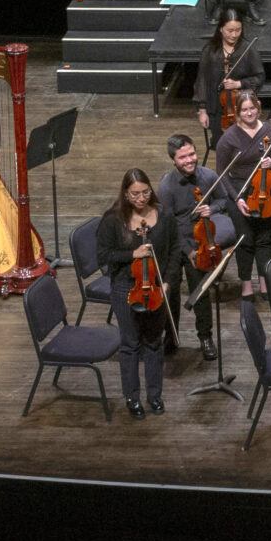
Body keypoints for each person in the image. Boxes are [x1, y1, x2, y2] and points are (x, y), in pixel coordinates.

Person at [97, 169, 178, 419]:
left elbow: (175, 251)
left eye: (145, 192)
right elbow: (103, 256)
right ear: (125, 193)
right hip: (125, 288)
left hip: (155, 288)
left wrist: (167, 284)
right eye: (135, 194)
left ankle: (155, 395)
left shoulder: (164, 215)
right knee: (130, 345)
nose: (141, 198)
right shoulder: (113, 220)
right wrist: (132, 254)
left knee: (154, 343)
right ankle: (132, 397)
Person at [214, 91, 271, 296]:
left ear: (258, 107)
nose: (249, 113)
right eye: (244, 110)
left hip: (267, 192)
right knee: (246, 240)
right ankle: (246, 284)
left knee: (265, 239)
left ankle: (264, 282)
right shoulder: (229, 138)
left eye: (252, 108)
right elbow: (221, 172)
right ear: (238, 112)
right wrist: (237, 198)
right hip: (239, 191)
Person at [158, 134, 225, 360]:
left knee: (201, 292)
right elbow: (169, 225)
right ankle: (171, 336)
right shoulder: (167, 186)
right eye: (183, 157)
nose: (190, 160)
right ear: (173, 160)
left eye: (192, 154)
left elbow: (223, 200)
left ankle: (205, 337)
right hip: (176, 244)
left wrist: (212, 209)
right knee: (172, 292)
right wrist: (189, 252)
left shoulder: (208, 176)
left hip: (201, 241)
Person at [193, 10, 262, 150]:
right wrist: (202, 110)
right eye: (230, 30)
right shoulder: (210, 50)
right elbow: (202, 80)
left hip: (242, 108)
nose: (234, 35)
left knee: (245, 148)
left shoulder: (248, 48)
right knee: (222, 147)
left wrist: (239, 83)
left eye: (238, 30)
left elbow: (259, 77)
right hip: (216, 108)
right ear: (220, 29)